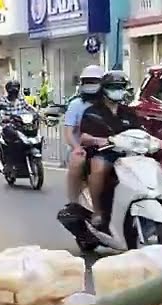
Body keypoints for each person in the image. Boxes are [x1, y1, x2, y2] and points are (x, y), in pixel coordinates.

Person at [79, 71, 158, 227]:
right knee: (98, 168)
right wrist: (101, 140)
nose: (118, 91)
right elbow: (84, 137)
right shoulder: (92, 112)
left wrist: (156, 141)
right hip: (105, 154)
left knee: (153, 166)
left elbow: (142, 132)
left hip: (130, 155)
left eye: (120, 87)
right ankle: (97, 211)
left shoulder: (129, 112)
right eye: (114, 87)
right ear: (104, 89)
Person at [62, 64, 103, 205]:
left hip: (106, 148)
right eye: (87, 81)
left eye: (94, 81)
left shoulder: (108, 103)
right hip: (82, 148)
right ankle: (73, 203)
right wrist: (76, 147)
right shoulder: (75, 105)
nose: (91, 85)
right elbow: (68, 132)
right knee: (77, 162)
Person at [0, 80, 35, 171]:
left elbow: (28, 107)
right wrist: (6, 118)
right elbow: (2, 113)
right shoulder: (4, 100)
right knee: (15, 138)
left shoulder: (21, 99)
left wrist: (37, 113)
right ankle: (10, 163)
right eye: (13, 90)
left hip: (21, 125)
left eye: (16, 90)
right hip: (9, 126)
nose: (15, 93)